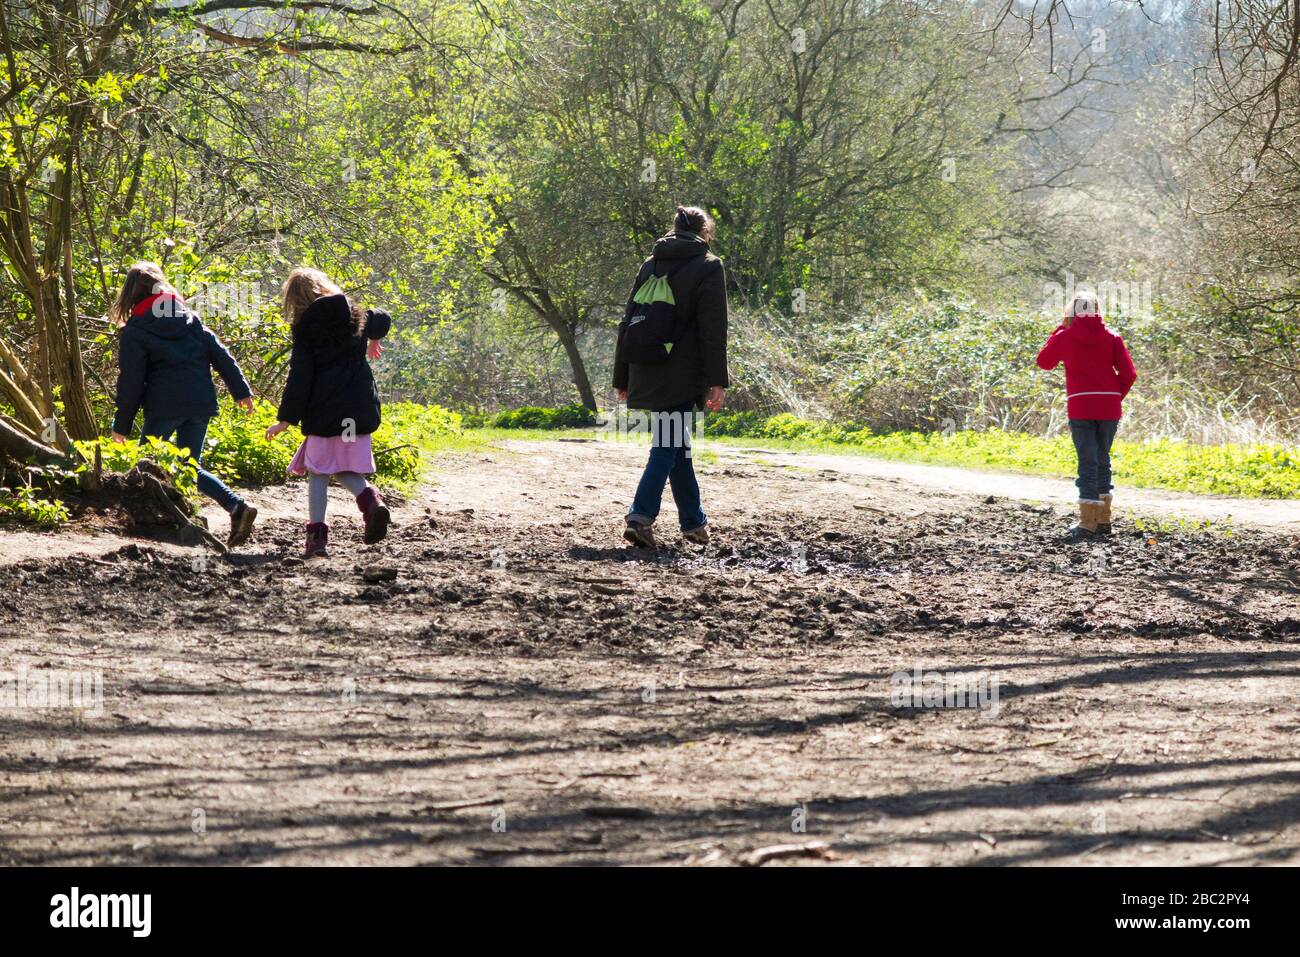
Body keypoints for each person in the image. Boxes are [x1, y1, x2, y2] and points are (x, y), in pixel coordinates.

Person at [110, 261, 259, 546]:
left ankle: (154, 524)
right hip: (199, 403)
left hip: (165, 408)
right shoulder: (190, 320)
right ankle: (235, 507)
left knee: (146, 468)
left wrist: (122, 424)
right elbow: (221, 355)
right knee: (188, 466)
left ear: (131, 295)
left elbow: (131, 382)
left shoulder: (136, 331)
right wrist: (241, 392)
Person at [613, 205, 729, 549]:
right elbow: (713, 330)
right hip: (681, 371)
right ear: (704, 232)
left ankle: (693, 523)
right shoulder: (709, 266)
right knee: (666, 445)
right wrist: (717, 380)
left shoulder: (650, 264)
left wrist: (622, 375)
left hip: (644, 366)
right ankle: (640, 517)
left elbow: (627, 322)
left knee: (678, 447)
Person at [264, 267, 392, 558]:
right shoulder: (355, 315)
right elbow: (382, 317)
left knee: (319, 472)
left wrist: (286, 419)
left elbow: (301, 377)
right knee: (345, 464)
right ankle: (371, 502)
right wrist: (374, 337)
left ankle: (317, 539)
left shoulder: (306, 330)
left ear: (296, 300)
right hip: (355, 411)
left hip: (325, 412)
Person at [1036, 292, 1138, 538]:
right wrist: (1114, 396)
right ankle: (1103, 520)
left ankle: (1087, 523)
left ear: (1071, 311)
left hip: (1081, 405)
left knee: (1087, 462)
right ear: (1097, 309)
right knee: (1103, 460)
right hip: (1109, 406)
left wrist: (1059, 329)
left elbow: (1044, 362)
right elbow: (1129, 375)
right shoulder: (1113, 337)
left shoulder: (1065, 336)